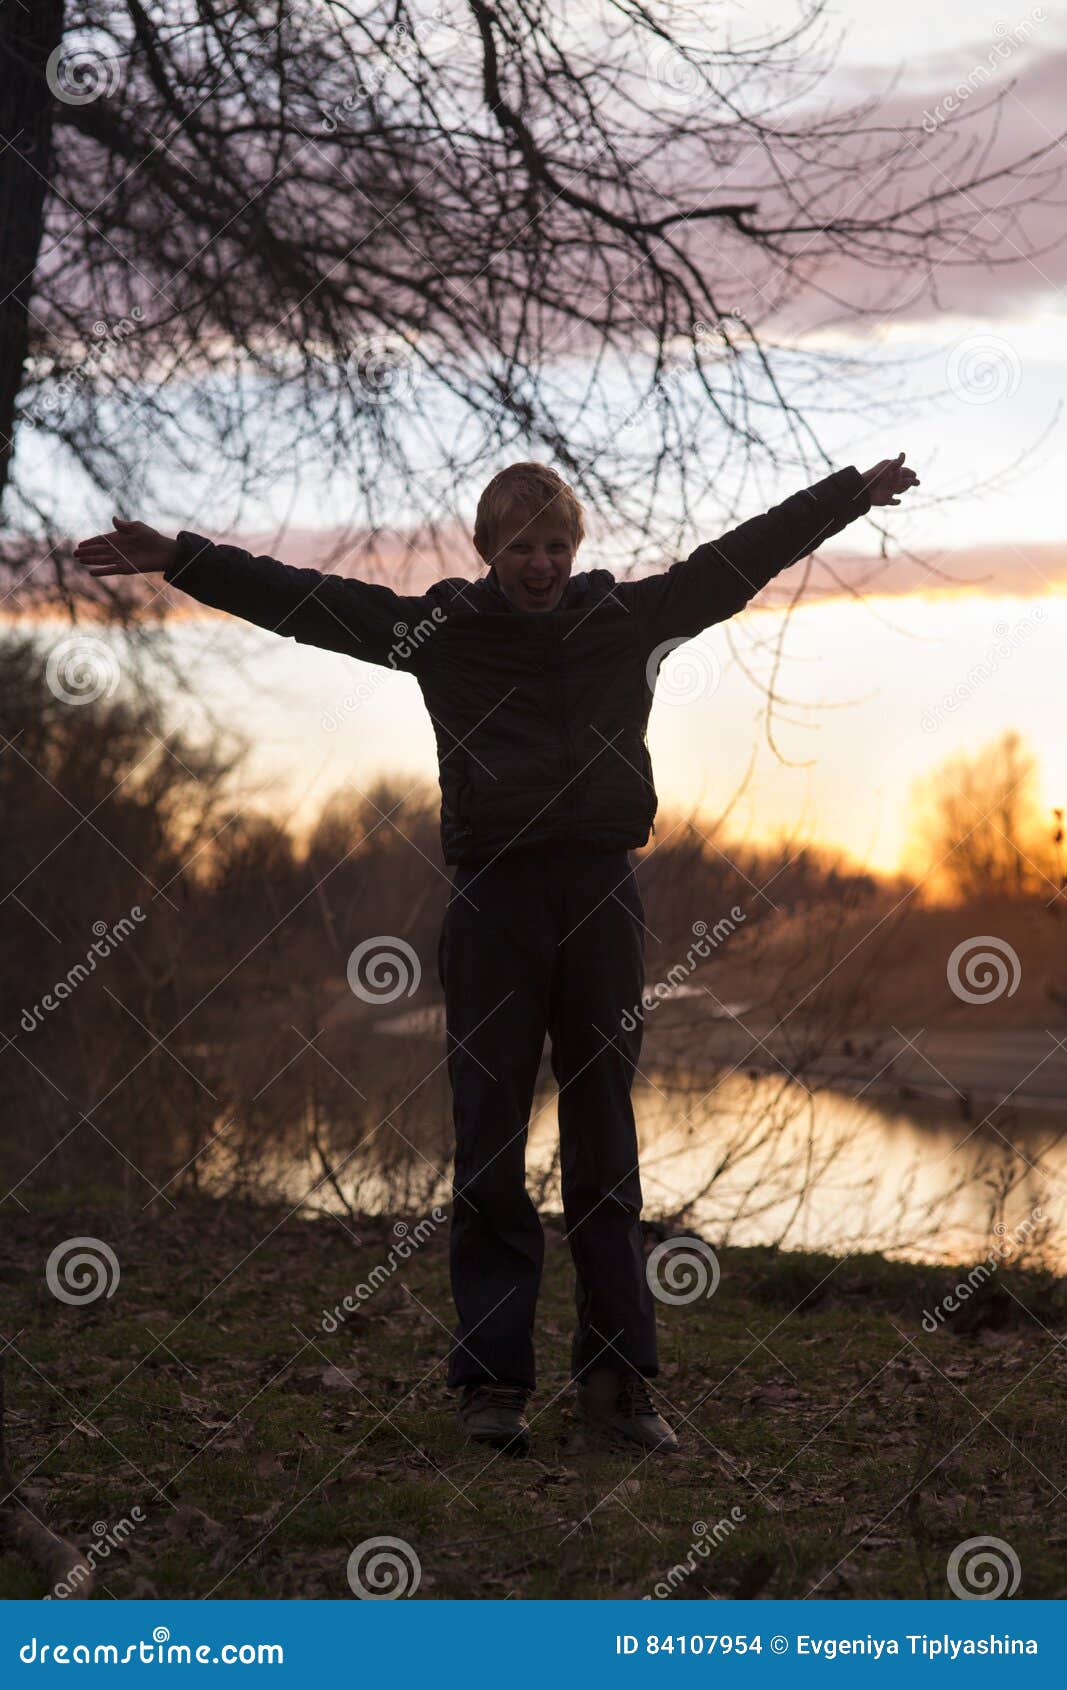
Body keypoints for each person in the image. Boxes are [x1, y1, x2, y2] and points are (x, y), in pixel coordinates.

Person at [74, 451, 919, 1457]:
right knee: (487, 1146)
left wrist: (842, 497)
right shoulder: (445, 633)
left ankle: (617, 1385)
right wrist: (184, 558)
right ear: (488, 551)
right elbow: (309, 601)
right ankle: (489, 1384)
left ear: (575, 545)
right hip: (492, 906)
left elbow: (733, 563)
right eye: (520, 545)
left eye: (555, 543)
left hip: (602, 897)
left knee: (604, 1141)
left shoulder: (626, 621)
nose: (540, 562)